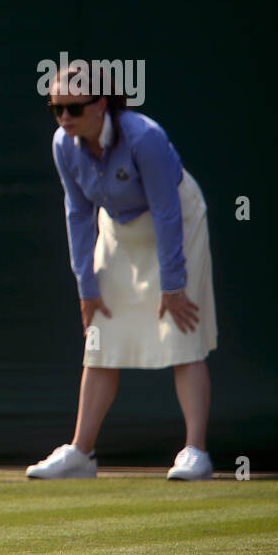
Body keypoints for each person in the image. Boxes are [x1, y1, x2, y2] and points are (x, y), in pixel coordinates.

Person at [28, 64, 217, 481]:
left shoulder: (144, 136)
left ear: (100, 105)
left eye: (73, 108)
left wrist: (173, 283)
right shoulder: (64, 143)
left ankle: (195, 451)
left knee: (182, 328)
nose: (63, 119)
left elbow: (168, 211)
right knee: (100, 335)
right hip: (118, 229)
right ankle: (82, 452)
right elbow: (78, 213)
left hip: (177, 221)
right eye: (55, 109)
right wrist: (86, 284)